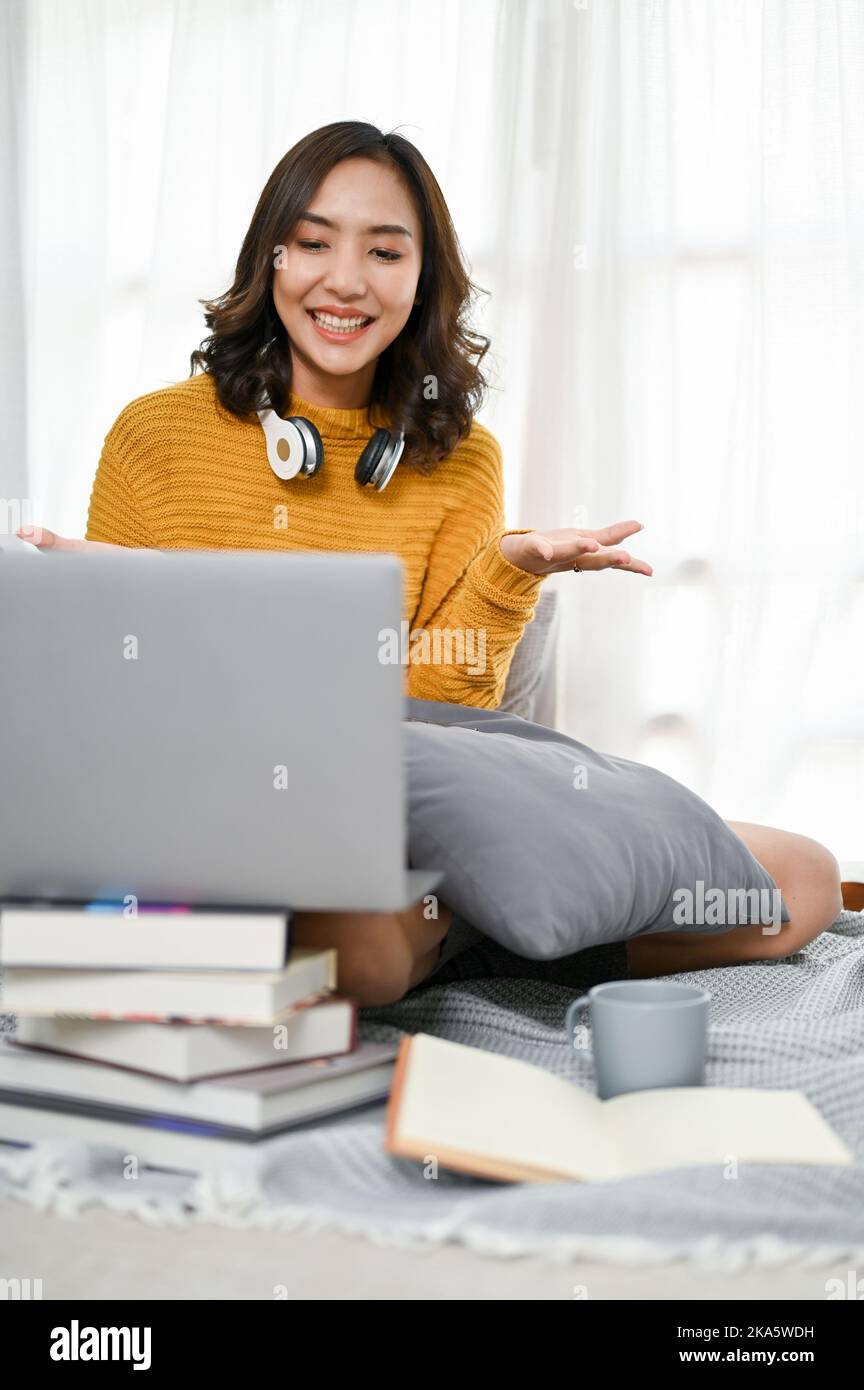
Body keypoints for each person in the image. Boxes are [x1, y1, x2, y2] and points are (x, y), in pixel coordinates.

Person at [18, 121, 843, 1005]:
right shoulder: (156, 436)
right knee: (363, 947)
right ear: (271, 260)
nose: (345, 280)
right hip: (243, 812)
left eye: (384, 251)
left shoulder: (462, 458)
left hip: (423, 810)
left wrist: (507, 573)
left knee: (804, 881)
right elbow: (122, 735)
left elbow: (443, 727)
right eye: (313, 243)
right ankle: (502, 936)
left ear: (423, 278)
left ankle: (489, 929)